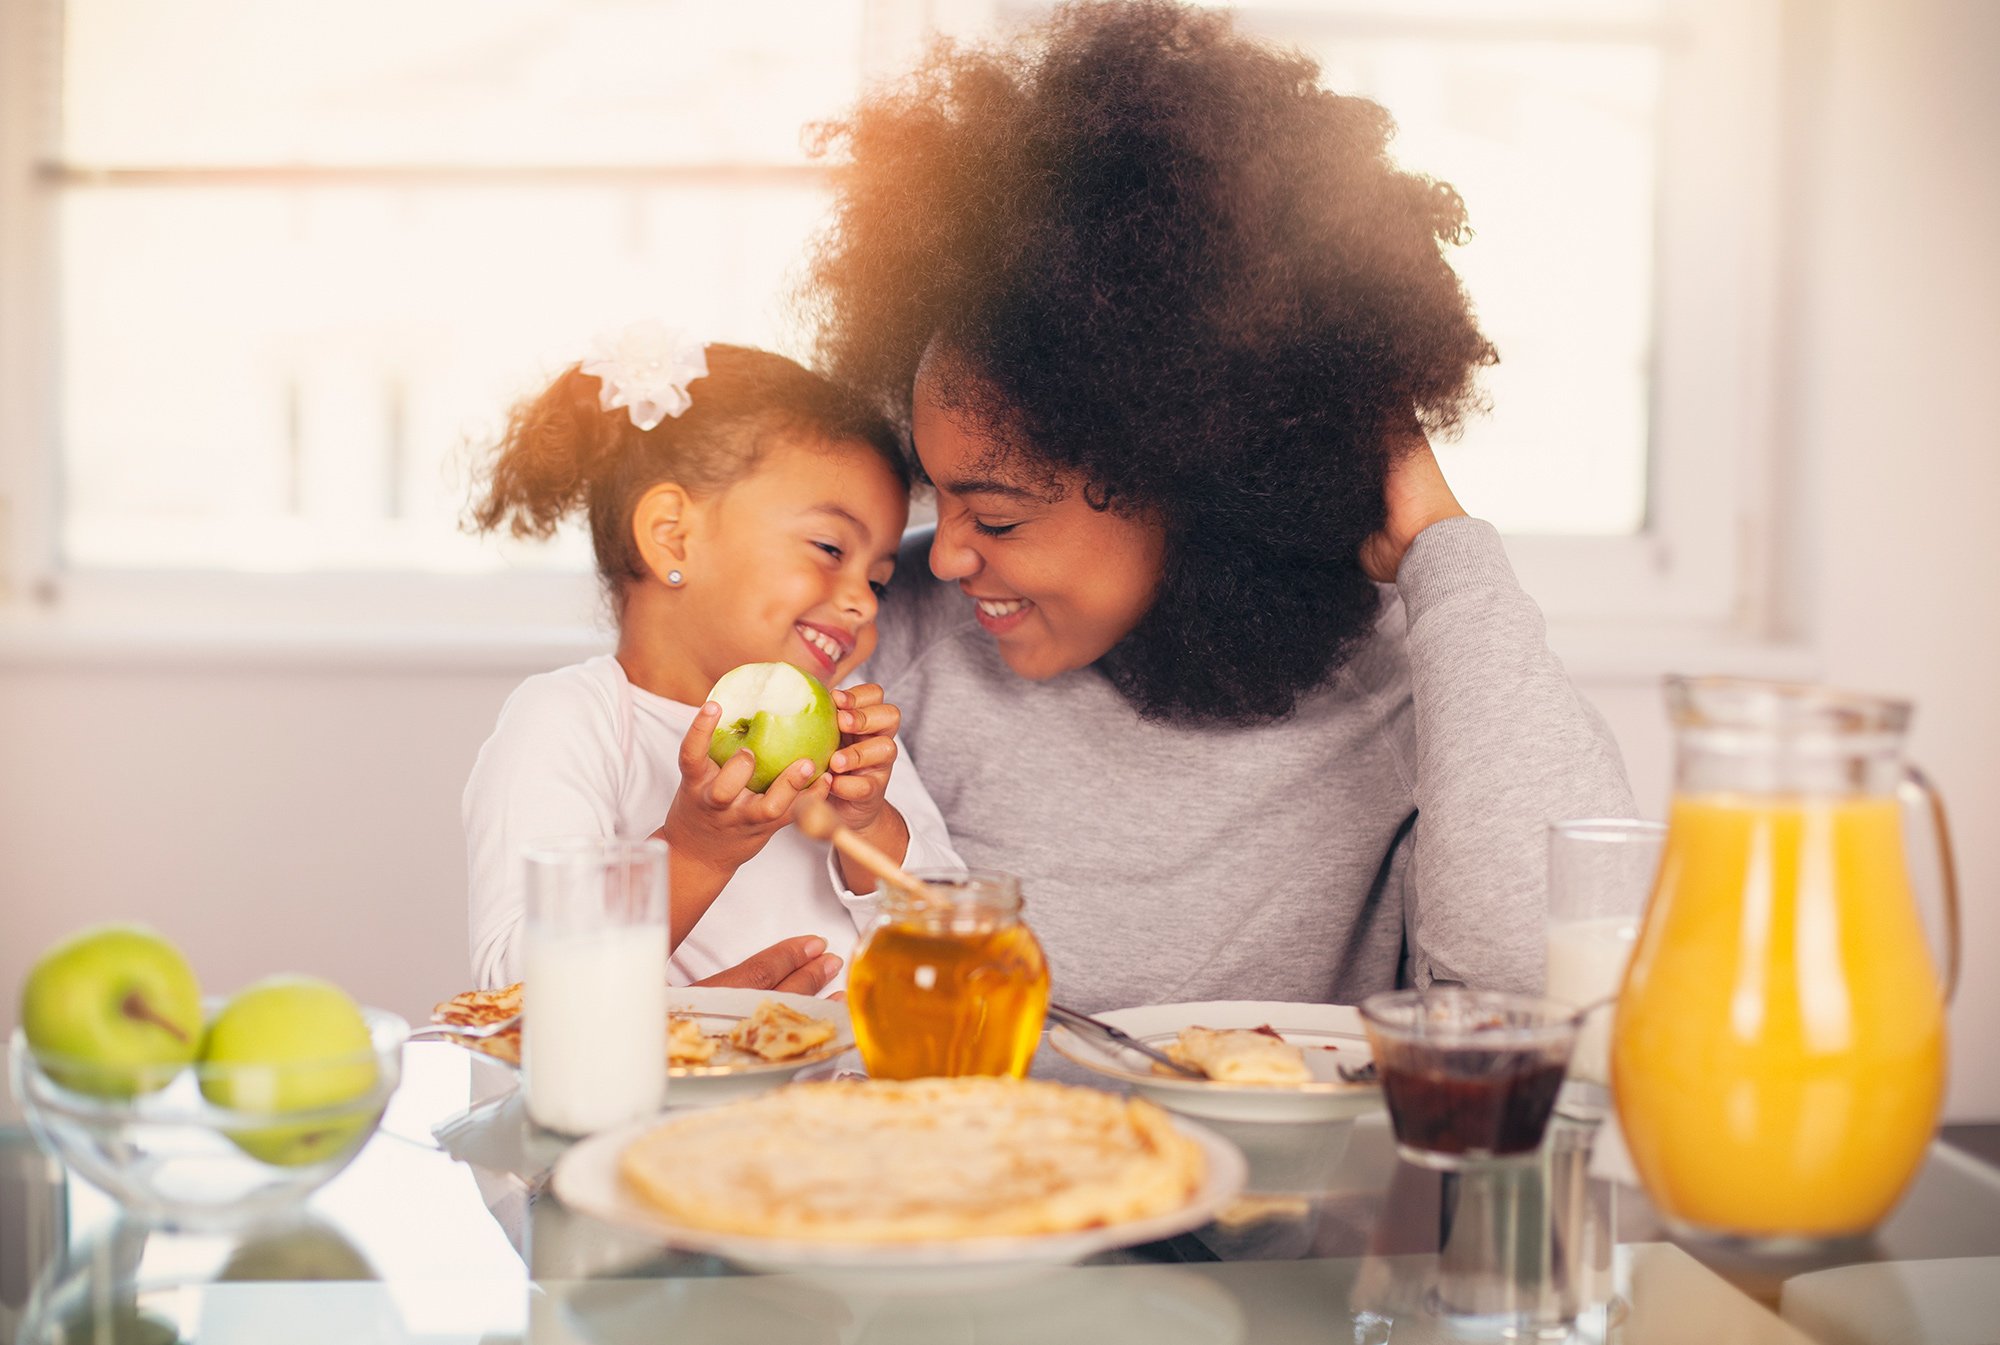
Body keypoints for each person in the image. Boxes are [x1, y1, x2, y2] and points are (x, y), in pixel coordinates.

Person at [803, 1, 1637, 1011]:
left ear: (1187, 471)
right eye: (938, 494)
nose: (942, 556)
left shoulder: (1412, 683)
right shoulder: (878, 641)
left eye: (1001, 517)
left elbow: (1545, 985)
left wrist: (1440, 541)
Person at [462, 327, 959, 992]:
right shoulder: (571, 721)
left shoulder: (850, 740)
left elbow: (959, 945)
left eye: (879, 581)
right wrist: (696, 850)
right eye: (829, 549)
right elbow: (517, 996)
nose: (863, 604)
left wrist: (870, 829)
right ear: (673, 537)